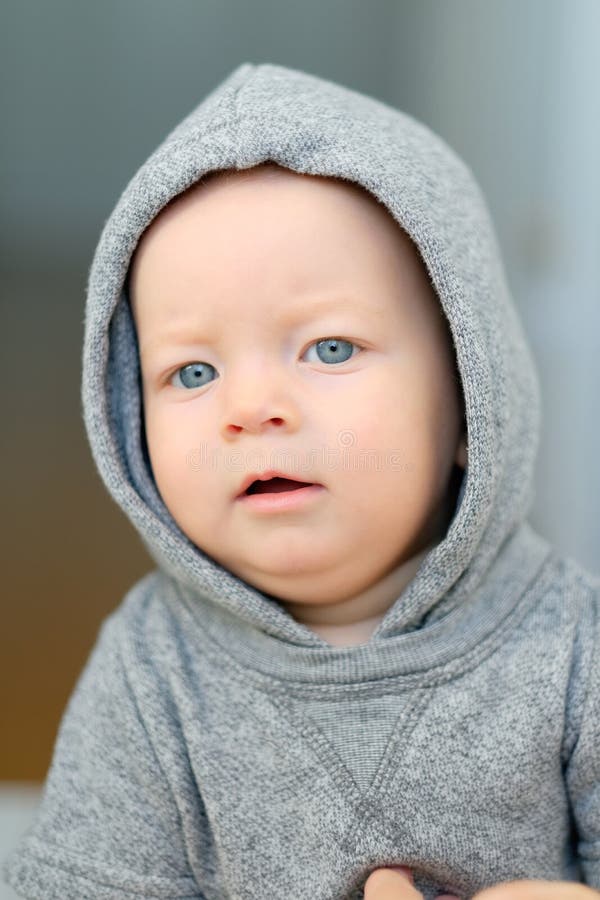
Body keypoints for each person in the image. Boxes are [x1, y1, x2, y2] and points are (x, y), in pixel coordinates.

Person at [3, 62, 599, 900]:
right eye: (194, 370)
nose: (249, 408)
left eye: (329, 348)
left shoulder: (572, 646)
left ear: (472, 400)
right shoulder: (151, 672)